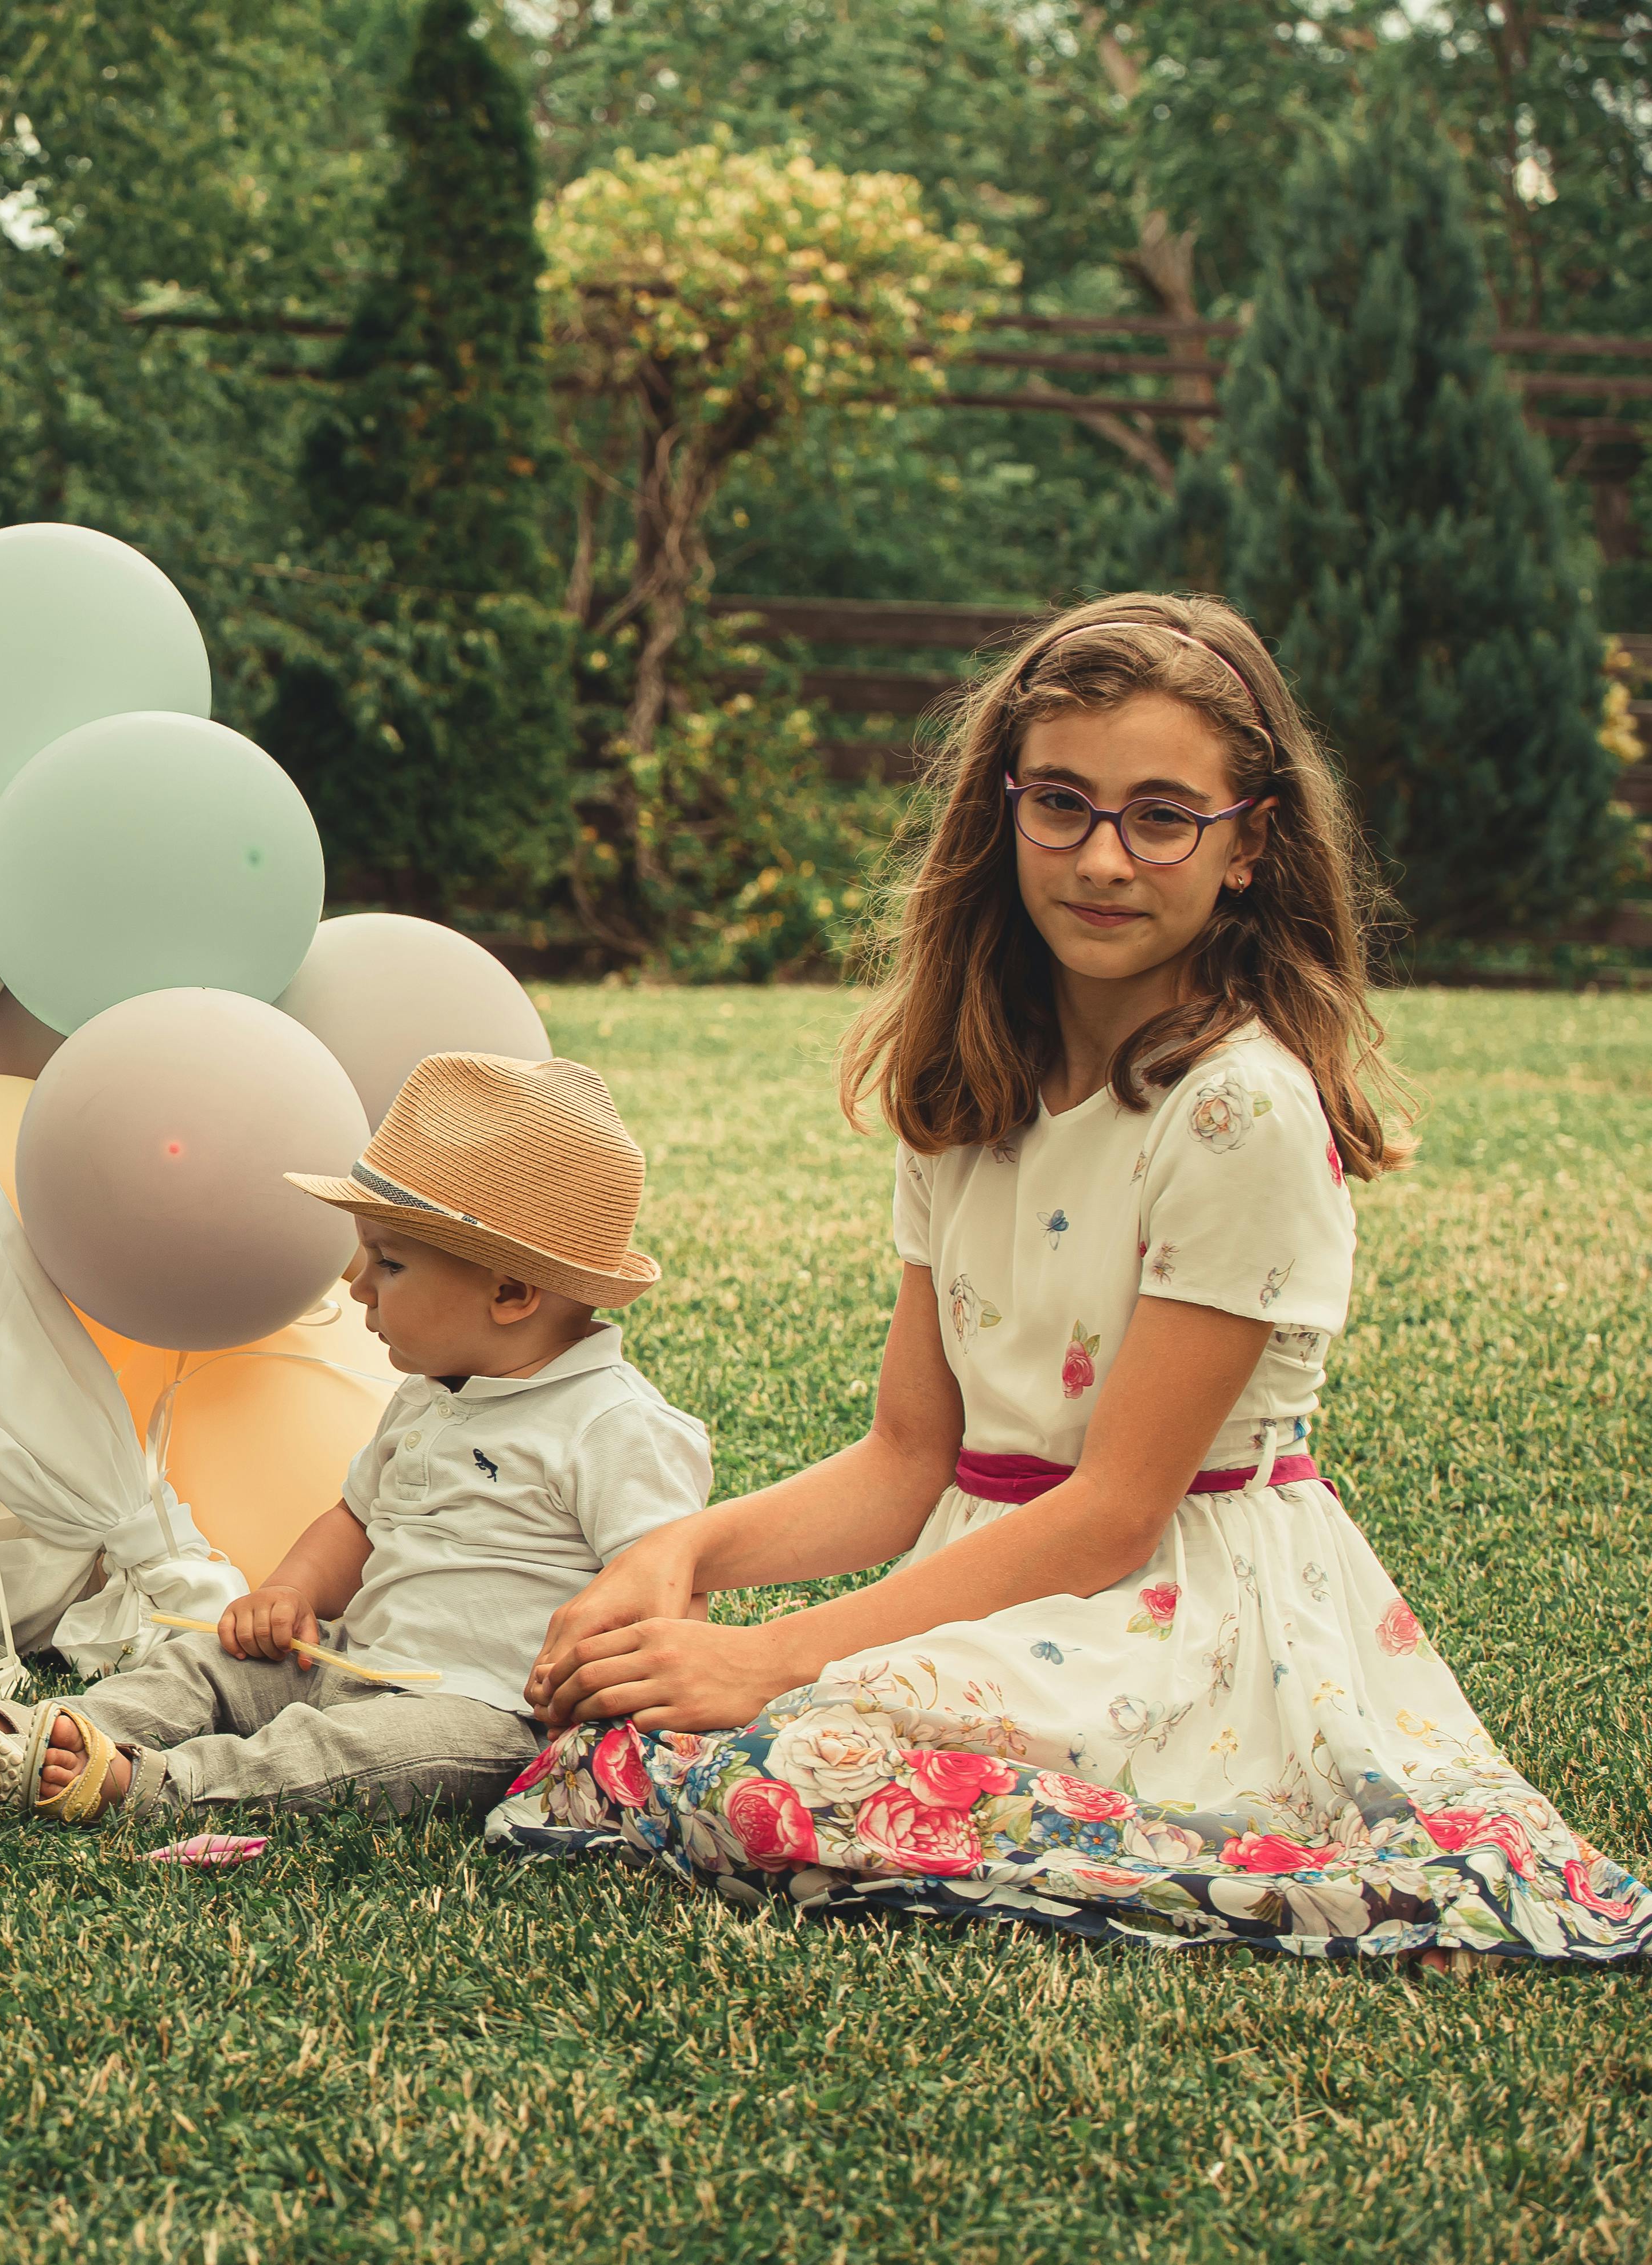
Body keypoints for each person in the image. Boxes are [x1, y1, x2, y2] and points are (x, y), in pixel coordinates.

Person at [508, 596, 1649, 1968]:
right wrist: (676, 1556)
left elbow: (1111, 1514)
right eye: (1063, 803)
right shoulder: (967, 1085)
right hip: (987, 1584)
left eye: (1162, 815)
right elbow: (905, 1458)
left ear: (1249, 847)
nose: (1104, 857)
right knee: (630, 1739)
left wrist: (771, 1656)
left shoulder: (1237, 1113)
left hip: (1180, 1621)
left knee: (767, 1771)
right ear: (1005, 814)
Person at [0, 1053, 710, 1826]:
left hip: (487, 1713)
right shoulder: (426, 1400)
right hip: (352, 1656)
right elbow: (357, 1517)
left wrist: (609, 1703)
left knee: (361, 1758)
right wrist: (292, 1591)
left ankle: (160, 1784)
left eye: (390, 1262)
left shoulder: (613, 1426)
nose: (356, 1283)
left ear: (514, 1292)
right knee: (204, 1664)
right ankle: (41, 1733)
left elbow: (673, 1584)